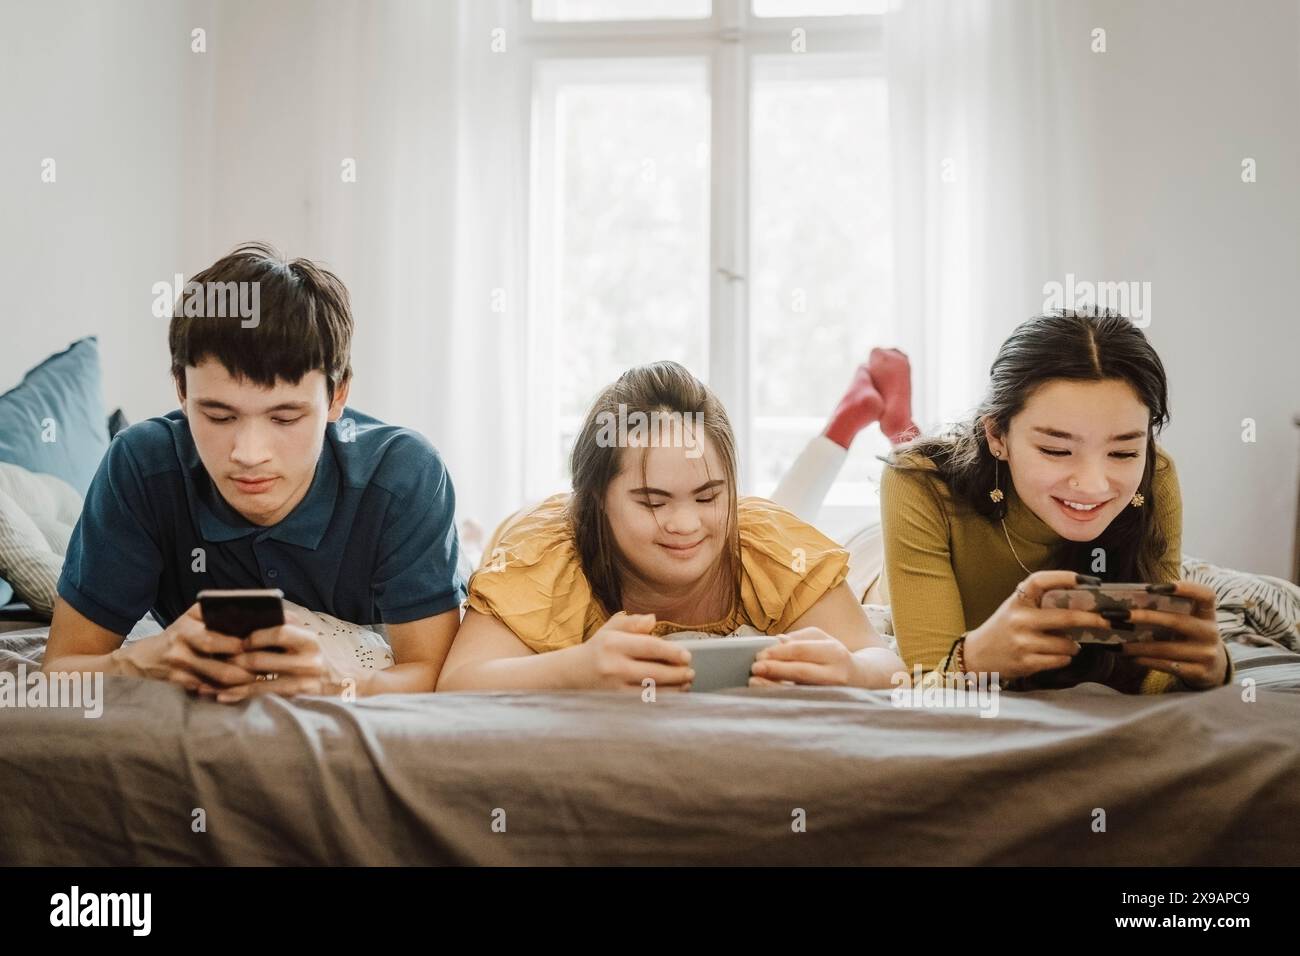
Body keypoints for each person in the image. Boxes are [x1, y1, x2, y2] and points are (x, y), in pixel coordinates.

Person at [42, 243, 465, 700]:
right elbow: (61, 670)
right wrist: (139, 663)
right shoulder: (142, 467)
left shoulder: (404, 475)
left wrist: (341, 683)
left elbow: (435, 677)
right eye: (219, 416)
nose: (248, 454)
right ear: (181, 390)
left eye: (285, 417)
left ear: (337, 396)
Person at [437, 360, 906, 692]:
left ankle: (902, 439)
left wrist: (854, 672)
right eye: (653, 502)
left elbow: (882, 660)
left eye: (708, 496)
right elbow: (459, 682)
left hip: (840, 549)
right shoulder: (545, 558)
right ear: (597, 499)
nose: (684, 524)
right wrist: (574, 670)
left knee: (868, 559)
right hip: (529, 528)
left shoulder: (765, 542)